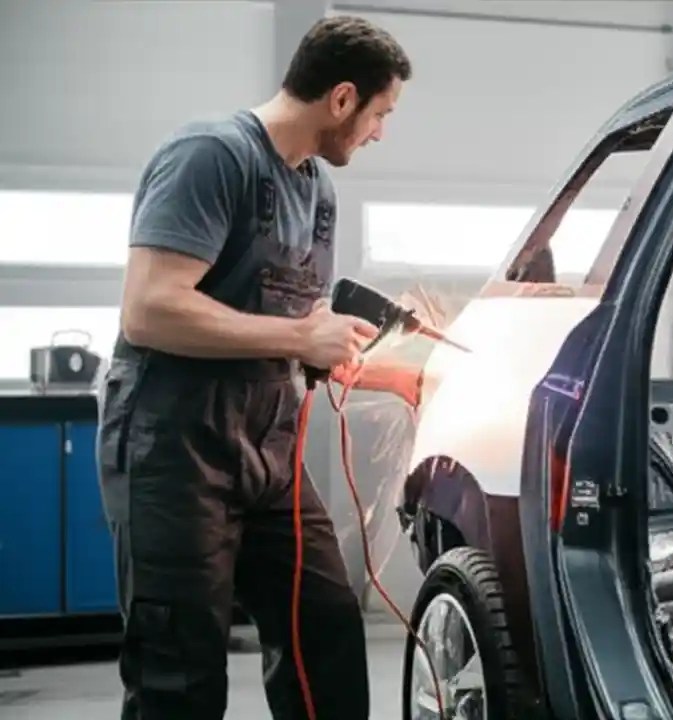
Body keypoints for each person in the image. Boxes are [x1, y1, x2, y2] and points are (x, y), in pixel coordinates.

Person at [95, 15, 419, 719]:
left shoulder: (315, 190)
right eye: (380, 114)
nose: (378, 133)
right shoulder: (212, 155)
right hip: (174, 450)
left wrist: (341, 350)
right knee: (178, 671)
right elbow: (149, 310)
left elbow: (291, 326)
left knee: (325, 628)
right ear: (341, 98)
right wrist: (300, 341)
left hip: (267, 452)